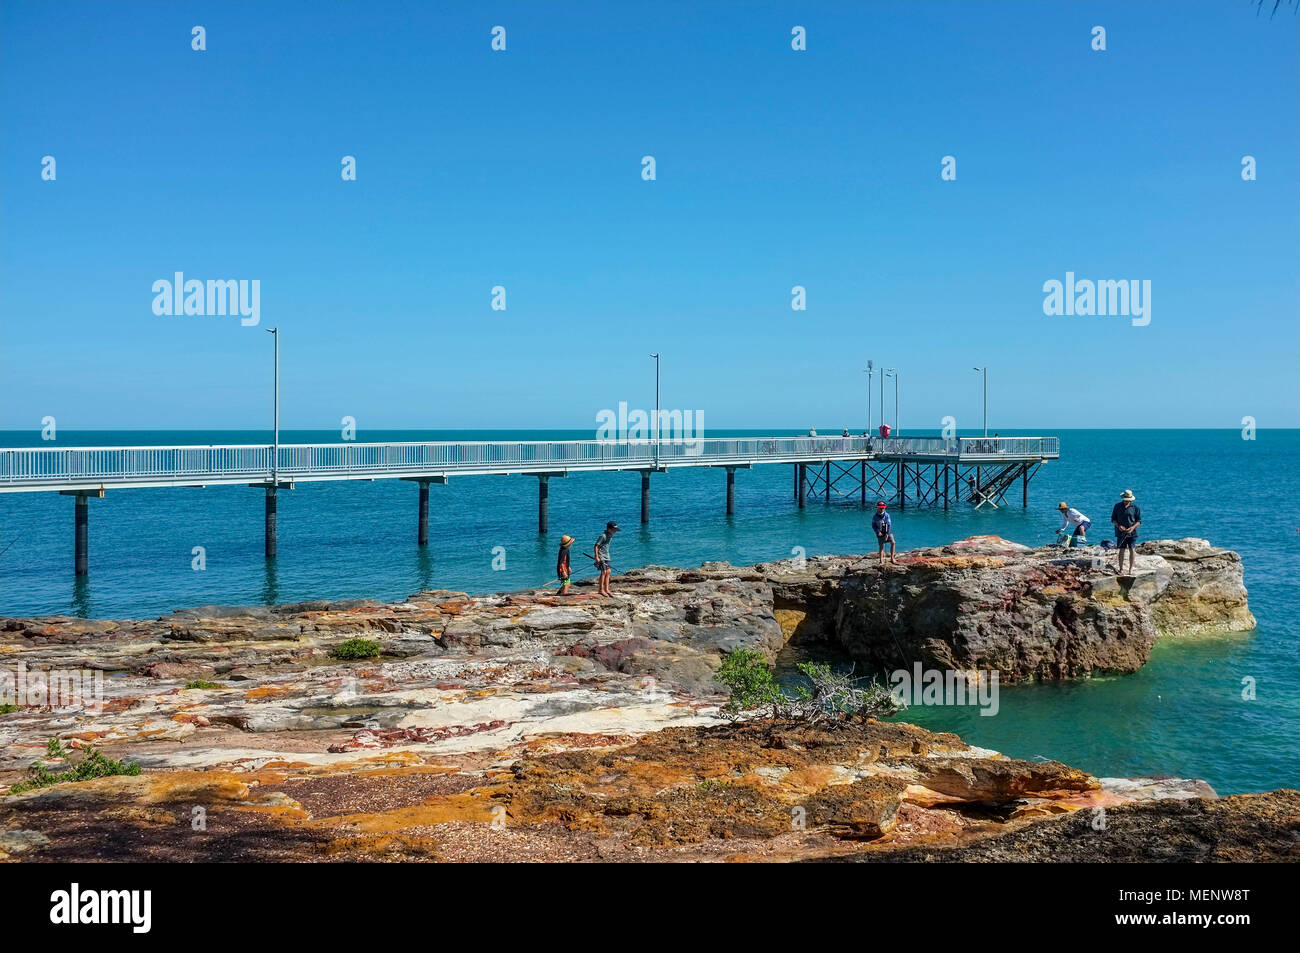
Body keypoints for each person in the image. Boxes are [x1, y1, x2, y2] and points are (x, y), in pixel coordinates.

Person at [1110, 490, 1142, 574]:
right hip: (1120, 532)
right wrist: (1119, 526)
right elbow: (1113, 519)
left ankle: (1131, 569)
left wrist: (1132, 528)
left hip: (1132, 532)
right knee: (1122, 550)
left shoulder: (1135, 507)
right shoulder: (1117, 506)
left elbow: (1139, 521)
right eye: (1125, 500)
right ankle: (1121, 568)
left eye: (1128, 500)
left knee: (1132, 549)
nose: (1126, 501)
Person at [593, 521, 619, 596]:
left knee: (608, 572)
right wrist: (597, 556)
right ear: (609, 529)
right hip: (601, 556)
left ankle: (607, 589)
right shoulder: (603, 536)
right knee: (603, 572)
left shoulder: (610, 535)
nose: (615, 531)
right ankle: (601, 590)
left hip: (607, 556)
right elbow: (596, 546)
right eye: (614, 530)